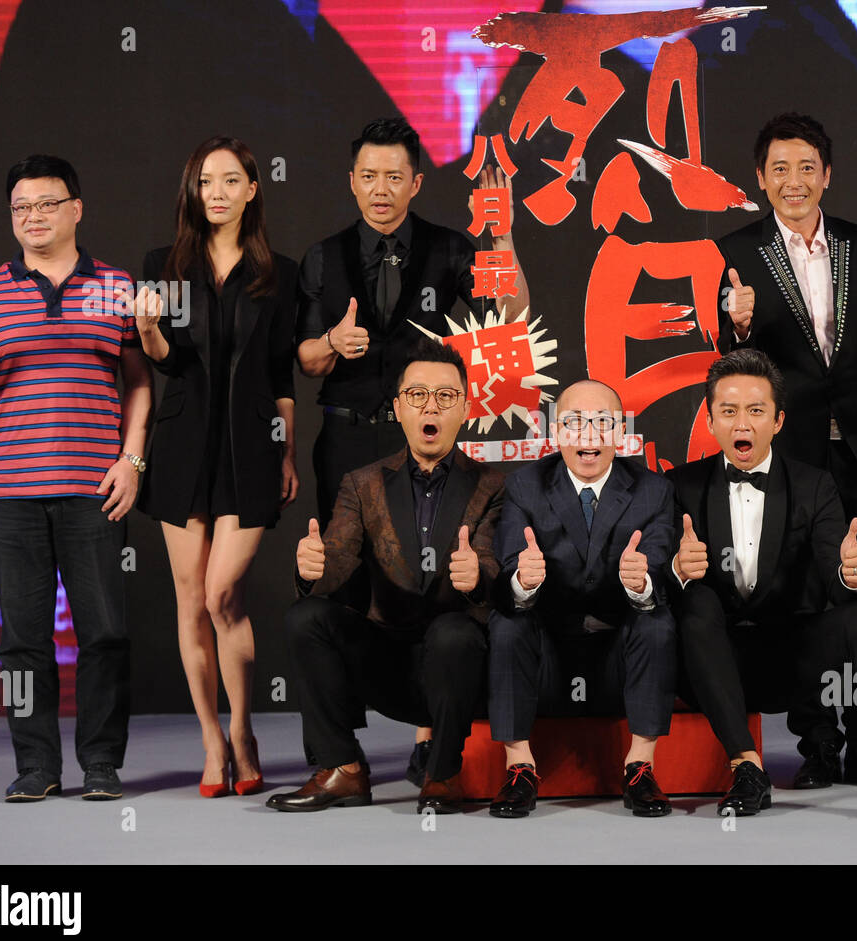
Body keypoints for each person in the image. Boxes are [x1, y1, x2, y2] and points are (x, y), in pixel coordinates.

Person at [296, 116, 528, 779]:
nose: (380, 188)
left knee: (436, 585)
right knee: (338, 589)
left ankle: (433, 731)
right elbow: (304, 356)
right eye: (368, 175)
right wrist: (331, 346)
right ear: (352, 180)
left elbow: (506, 313)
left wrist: (502, 231)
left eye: (394, 176)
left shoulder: (450, 247)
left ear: (416, 181)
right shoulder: (322, 255)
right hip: (346, 438)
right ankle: (336, 757)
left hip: (424, 440)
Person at [0, 155, 152, 801]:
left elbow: (140, 381)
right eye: (21, 208)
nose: (33, 217)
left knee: (105, 631)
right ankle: (36, 766)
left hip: (96, 486)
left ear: (76, 208)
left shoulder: (116, 286)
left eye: (46, 204)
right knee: (24, 639)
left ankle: (102, 764)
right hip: (12, 490)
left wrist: (133, 459)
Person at [669, 350, 857, 824]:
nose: (743, 423)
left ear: (779, 421)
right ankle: (747, 770)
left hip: (794, 667)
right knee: (694, 601)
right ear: (712, 421)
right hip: (713, 665)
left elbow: (837, 584)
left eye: (756, 411)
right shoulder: (680, 486)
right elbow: (656, 593)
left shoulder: (813, 485)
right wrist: (678, 568)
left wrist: (850, 574)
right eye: (729, 411)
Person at [716, 112, 857, 788]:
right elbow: (738, 370)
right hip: (794, 454)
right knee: (805, 597)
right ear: (760, 180)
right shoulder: (738, 249)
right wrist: (734, 326)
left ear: (827, 175)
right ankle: (819, 744)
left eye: (806, 168)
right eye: (779, 169)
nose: (793, 181)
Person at [267, 339, 503, 814]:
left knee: (456, 631)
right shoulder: (363, 482)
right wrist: (312, 568)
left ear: (465, 408)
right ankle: (343, 769)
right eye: (417, 395)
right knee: (307, 616)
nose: (430, 406)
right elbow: (336, 558)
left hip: (458, 668)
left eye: (445, 396)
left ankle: (443, 773)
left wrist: (477, 575)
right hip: (386, 664)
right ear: (398, 408)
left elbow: (494, 568)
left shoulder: (494, 485)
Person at [134, 136, 299, 798]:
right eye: (207, 182)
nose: (219, 192)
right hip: (182, 447)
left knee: (221, 592)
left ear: (253, 189)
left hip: (252, 446)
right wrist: (147, 330)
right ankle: (211, 739)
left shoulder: (277, 273)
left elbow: (282, 370)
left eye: (232, 180)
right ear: (193, 191)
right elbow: (165, 362)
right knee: (188, 598)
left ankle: (242, 729)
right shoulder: (162, 266)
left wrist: (286, 447)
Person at [487, 380, 677, 818]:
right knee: (507, 619)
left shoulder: (652, 490)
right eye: (574, 422)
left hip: (616, 660)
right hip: (549, 660)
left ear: (620, 431)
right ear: (555, 431)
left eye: (601, 423)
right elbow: (510, 566)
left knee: (656, 618)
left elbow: (660, 563)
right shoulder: (525, 486)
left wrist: (640, 582)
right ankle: (519, 768)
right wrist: (524, 580)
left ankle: (640, 767)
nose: (588, 435)